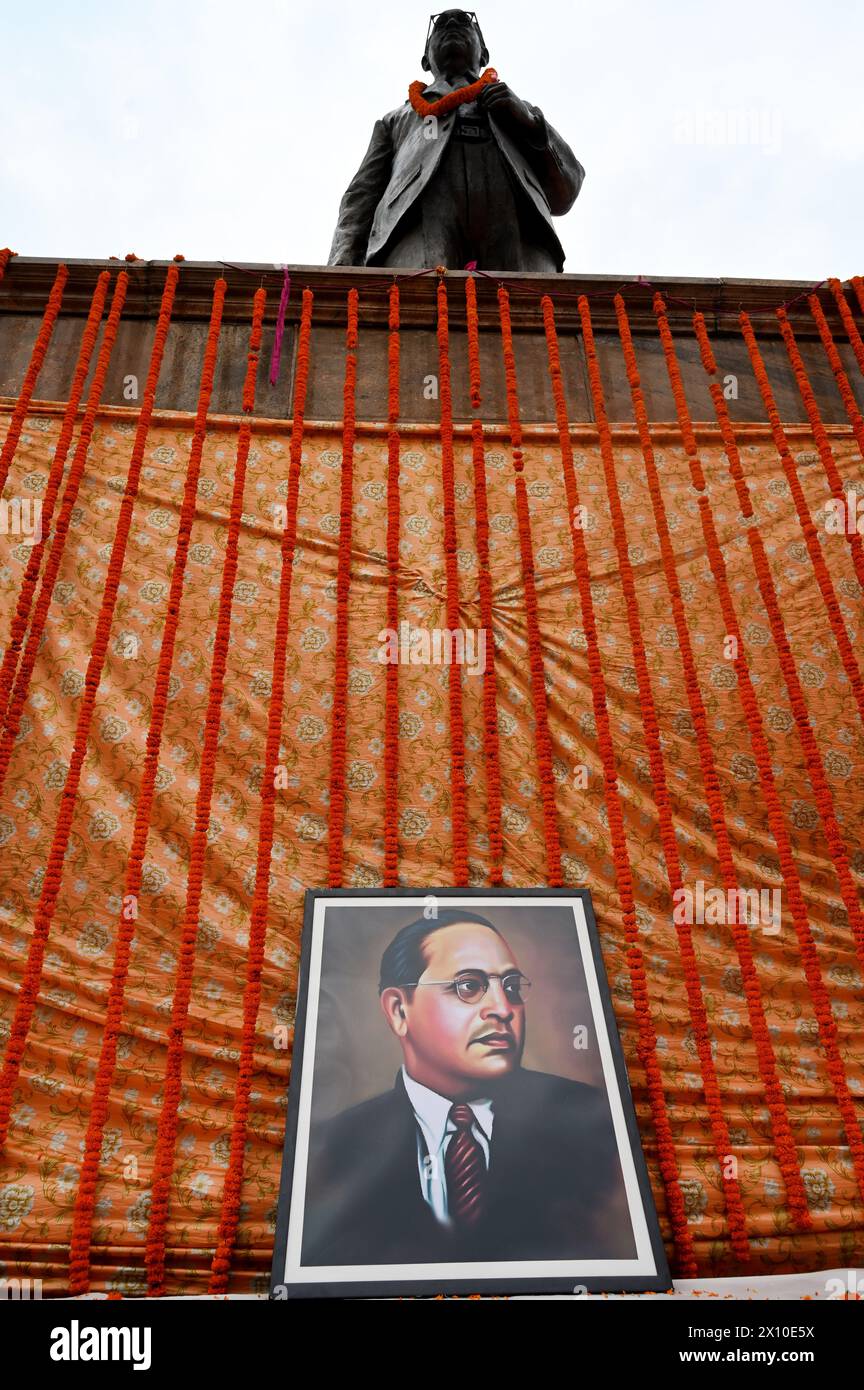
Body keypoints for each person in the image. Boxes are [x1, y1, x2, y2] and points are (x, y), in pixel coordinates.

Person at [300, 909, 637, 1265]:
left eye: (511, 987)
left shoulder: (591, 1120)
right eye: (469, 986)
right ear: (399, 1010)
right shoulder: (337, 1143)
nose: (503, 1008)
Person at [326, 10, 584, 272]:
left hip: (518, 234)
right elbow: (361, 196)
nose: (451, 23)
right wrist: (341, 267)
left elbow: (567, 189)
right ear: (425, 61)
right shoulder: (397, 119)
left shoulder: (518, 109)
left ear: (484, 54)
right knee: (421, 310)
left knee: (527, 311)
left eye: (463, 22)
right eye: (440, 26)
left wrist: (530, 124)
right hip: (417, 229)